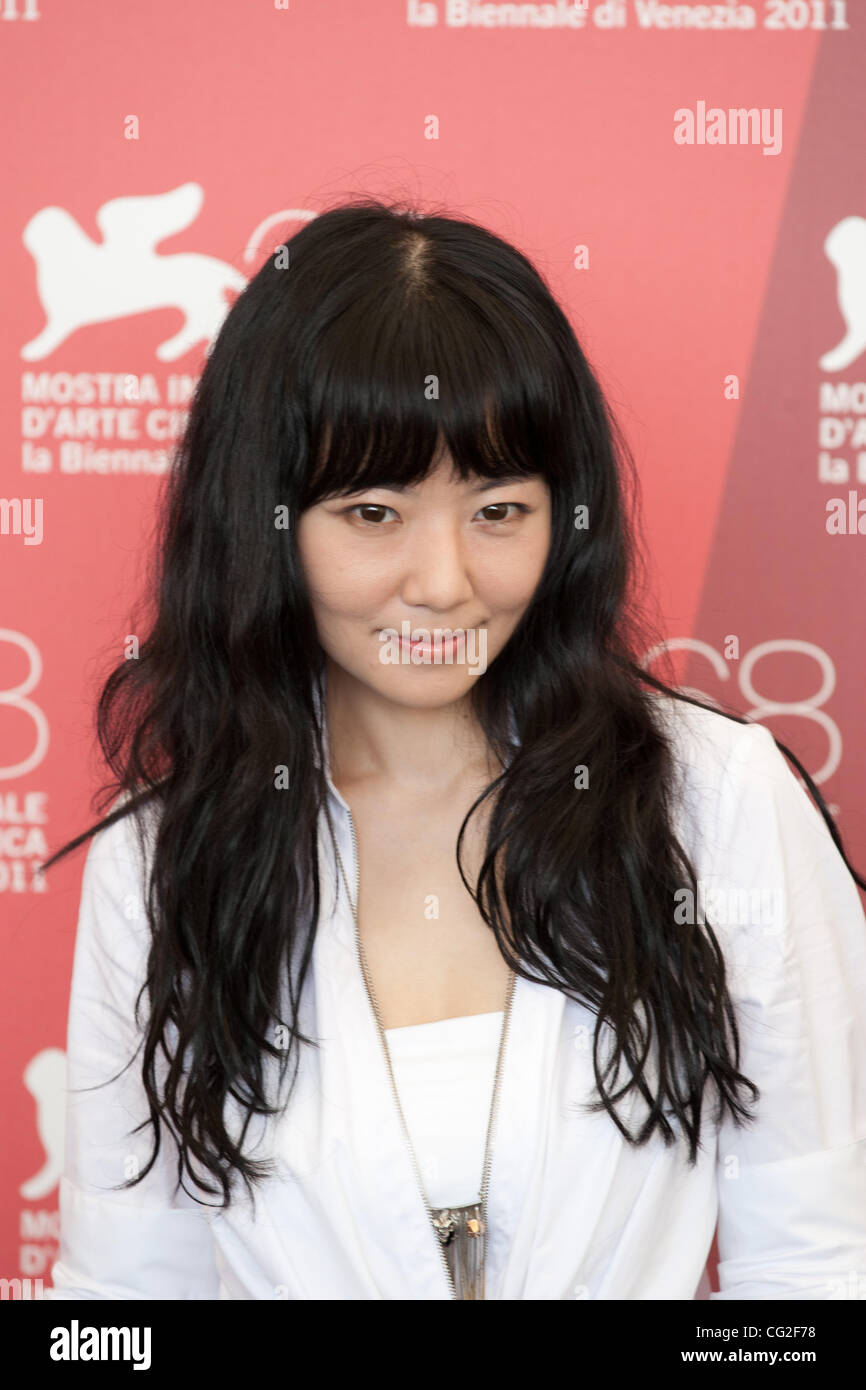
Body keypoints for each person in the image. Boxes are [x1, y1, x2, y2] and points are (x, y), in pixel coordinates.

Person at [42, 199, 866, 1300]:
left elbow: (815, 1261)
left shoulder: (715, 801)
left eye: (497, 509)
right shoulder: (161, 863)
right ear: (263, 524)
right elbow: (132, 1296)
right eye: (374, 512)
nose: (442, 581)